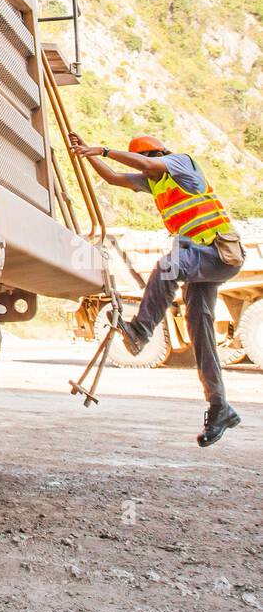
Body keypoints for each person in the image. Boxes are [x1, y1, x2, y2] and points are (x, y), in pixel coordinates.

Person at [68, 132, 245, 447]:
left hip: (218, 252)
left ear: (155, 156)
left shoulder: (180, 163)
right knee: (199, 329)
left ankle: (140, 332)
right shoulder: (155, 181)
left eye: (147, 164)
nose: (145, 173)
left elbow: (133, 163)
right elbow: (112, 177)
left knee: (167, 267)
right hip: (198, 258)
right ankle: (220, 406)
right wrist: (87, 153)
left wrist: (106, 148)